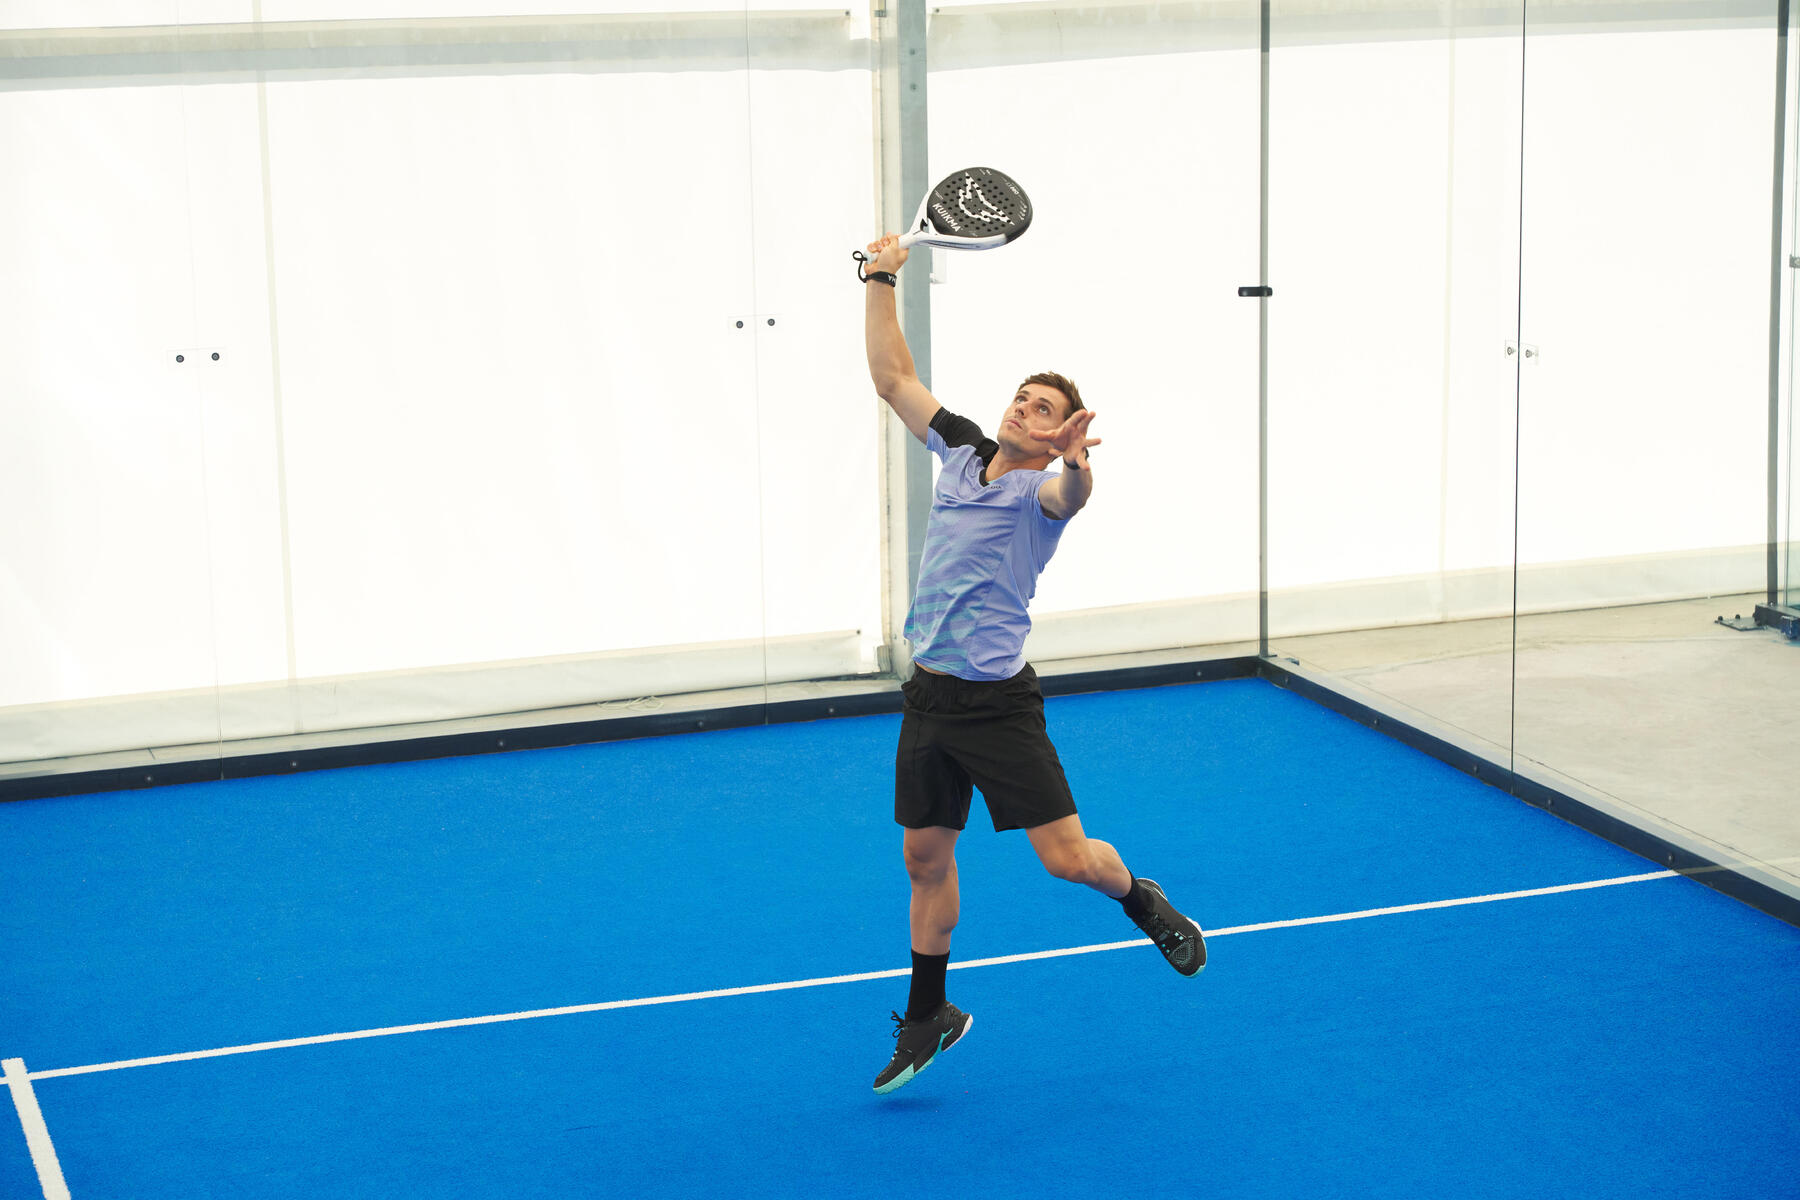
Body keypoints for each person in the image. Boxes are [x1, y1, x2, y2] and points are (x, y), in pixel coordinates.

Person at [859, 233, 1206, 1096]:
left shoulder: (1040, 496)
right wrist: (879, 277)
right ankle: (929, 1013)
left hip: (999, 708)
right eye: (1023, 397)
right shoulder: (966, 452)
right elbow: (893, 379)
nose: (1025, 408)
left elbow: (1070, 496)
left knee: (1068, 862)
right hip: (930, 699)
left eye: (1045, 409)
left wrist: (1079, 468)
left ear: (1061, 439)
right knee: (923, 860)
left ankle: (1142, 900)